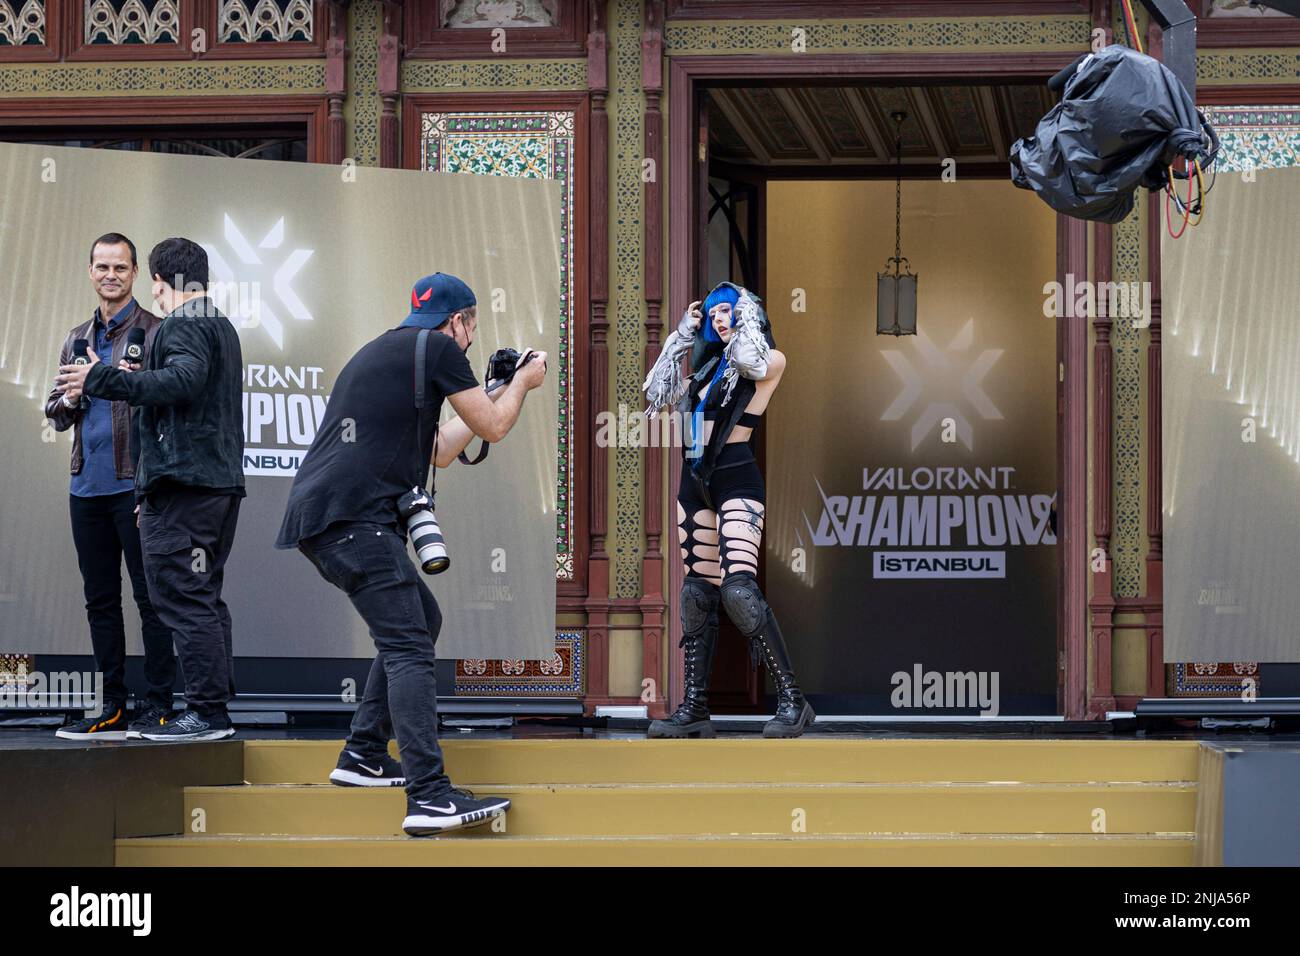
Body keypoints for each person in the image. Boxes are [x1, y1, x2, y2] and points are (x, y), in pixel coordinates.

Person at [275, 272, 547, 836]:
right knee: (407, 644)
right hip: (352, 520)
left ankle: (364, 755)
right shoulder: (442, 348)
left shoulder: (389, 350)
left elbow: (444, 450)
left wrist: (494, 387)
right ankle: (429, 796)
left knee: (421, 619)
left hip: (327, 519)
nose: (470, 340)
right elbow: (492, 427)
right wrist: (522, 383)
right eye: (472, 326)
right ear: (460, 321)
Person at [56, 237, 245, 742]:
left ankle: (205, 712)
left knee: (182, 596)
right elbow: (184, 383)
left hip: (185, 486)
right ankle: (213, 708)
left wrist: (106, 380)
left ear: (157, 280)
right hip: (213, 485)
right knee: (200, 595)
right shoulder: (219, 324)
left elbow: (182, 382)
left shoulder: (183, 323)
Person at [641, 281, 815, 739]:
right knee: (698, 593)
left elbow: (750, 359)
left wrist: (743, 321)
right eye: (715, 314)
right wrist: (681, 339)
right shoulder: (705, 370)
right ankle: (696, 708)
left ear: (749, 314)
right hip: (695, 481)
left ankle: (793, 701)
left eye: (729, 312)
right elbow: (656, 393)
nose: (720, 320)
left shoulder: (768, 361)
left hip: (737, 475)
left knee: (739, 589)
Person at [46, 233, 177, 740]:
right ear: (90, 270)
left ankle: (163, 705)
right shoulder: (76, 337)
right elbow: (55, 413)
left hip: (136, 487)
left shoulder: (157, 331)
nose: (110, 275)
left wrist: (128, 384)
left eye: (120, 267)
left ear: (136, 272)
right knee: (99, 600)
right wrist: (78, 395)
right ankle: (113, 705)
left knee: (152, 599)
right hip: (86, 487)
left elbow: (171, 406)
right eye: (102, 266)